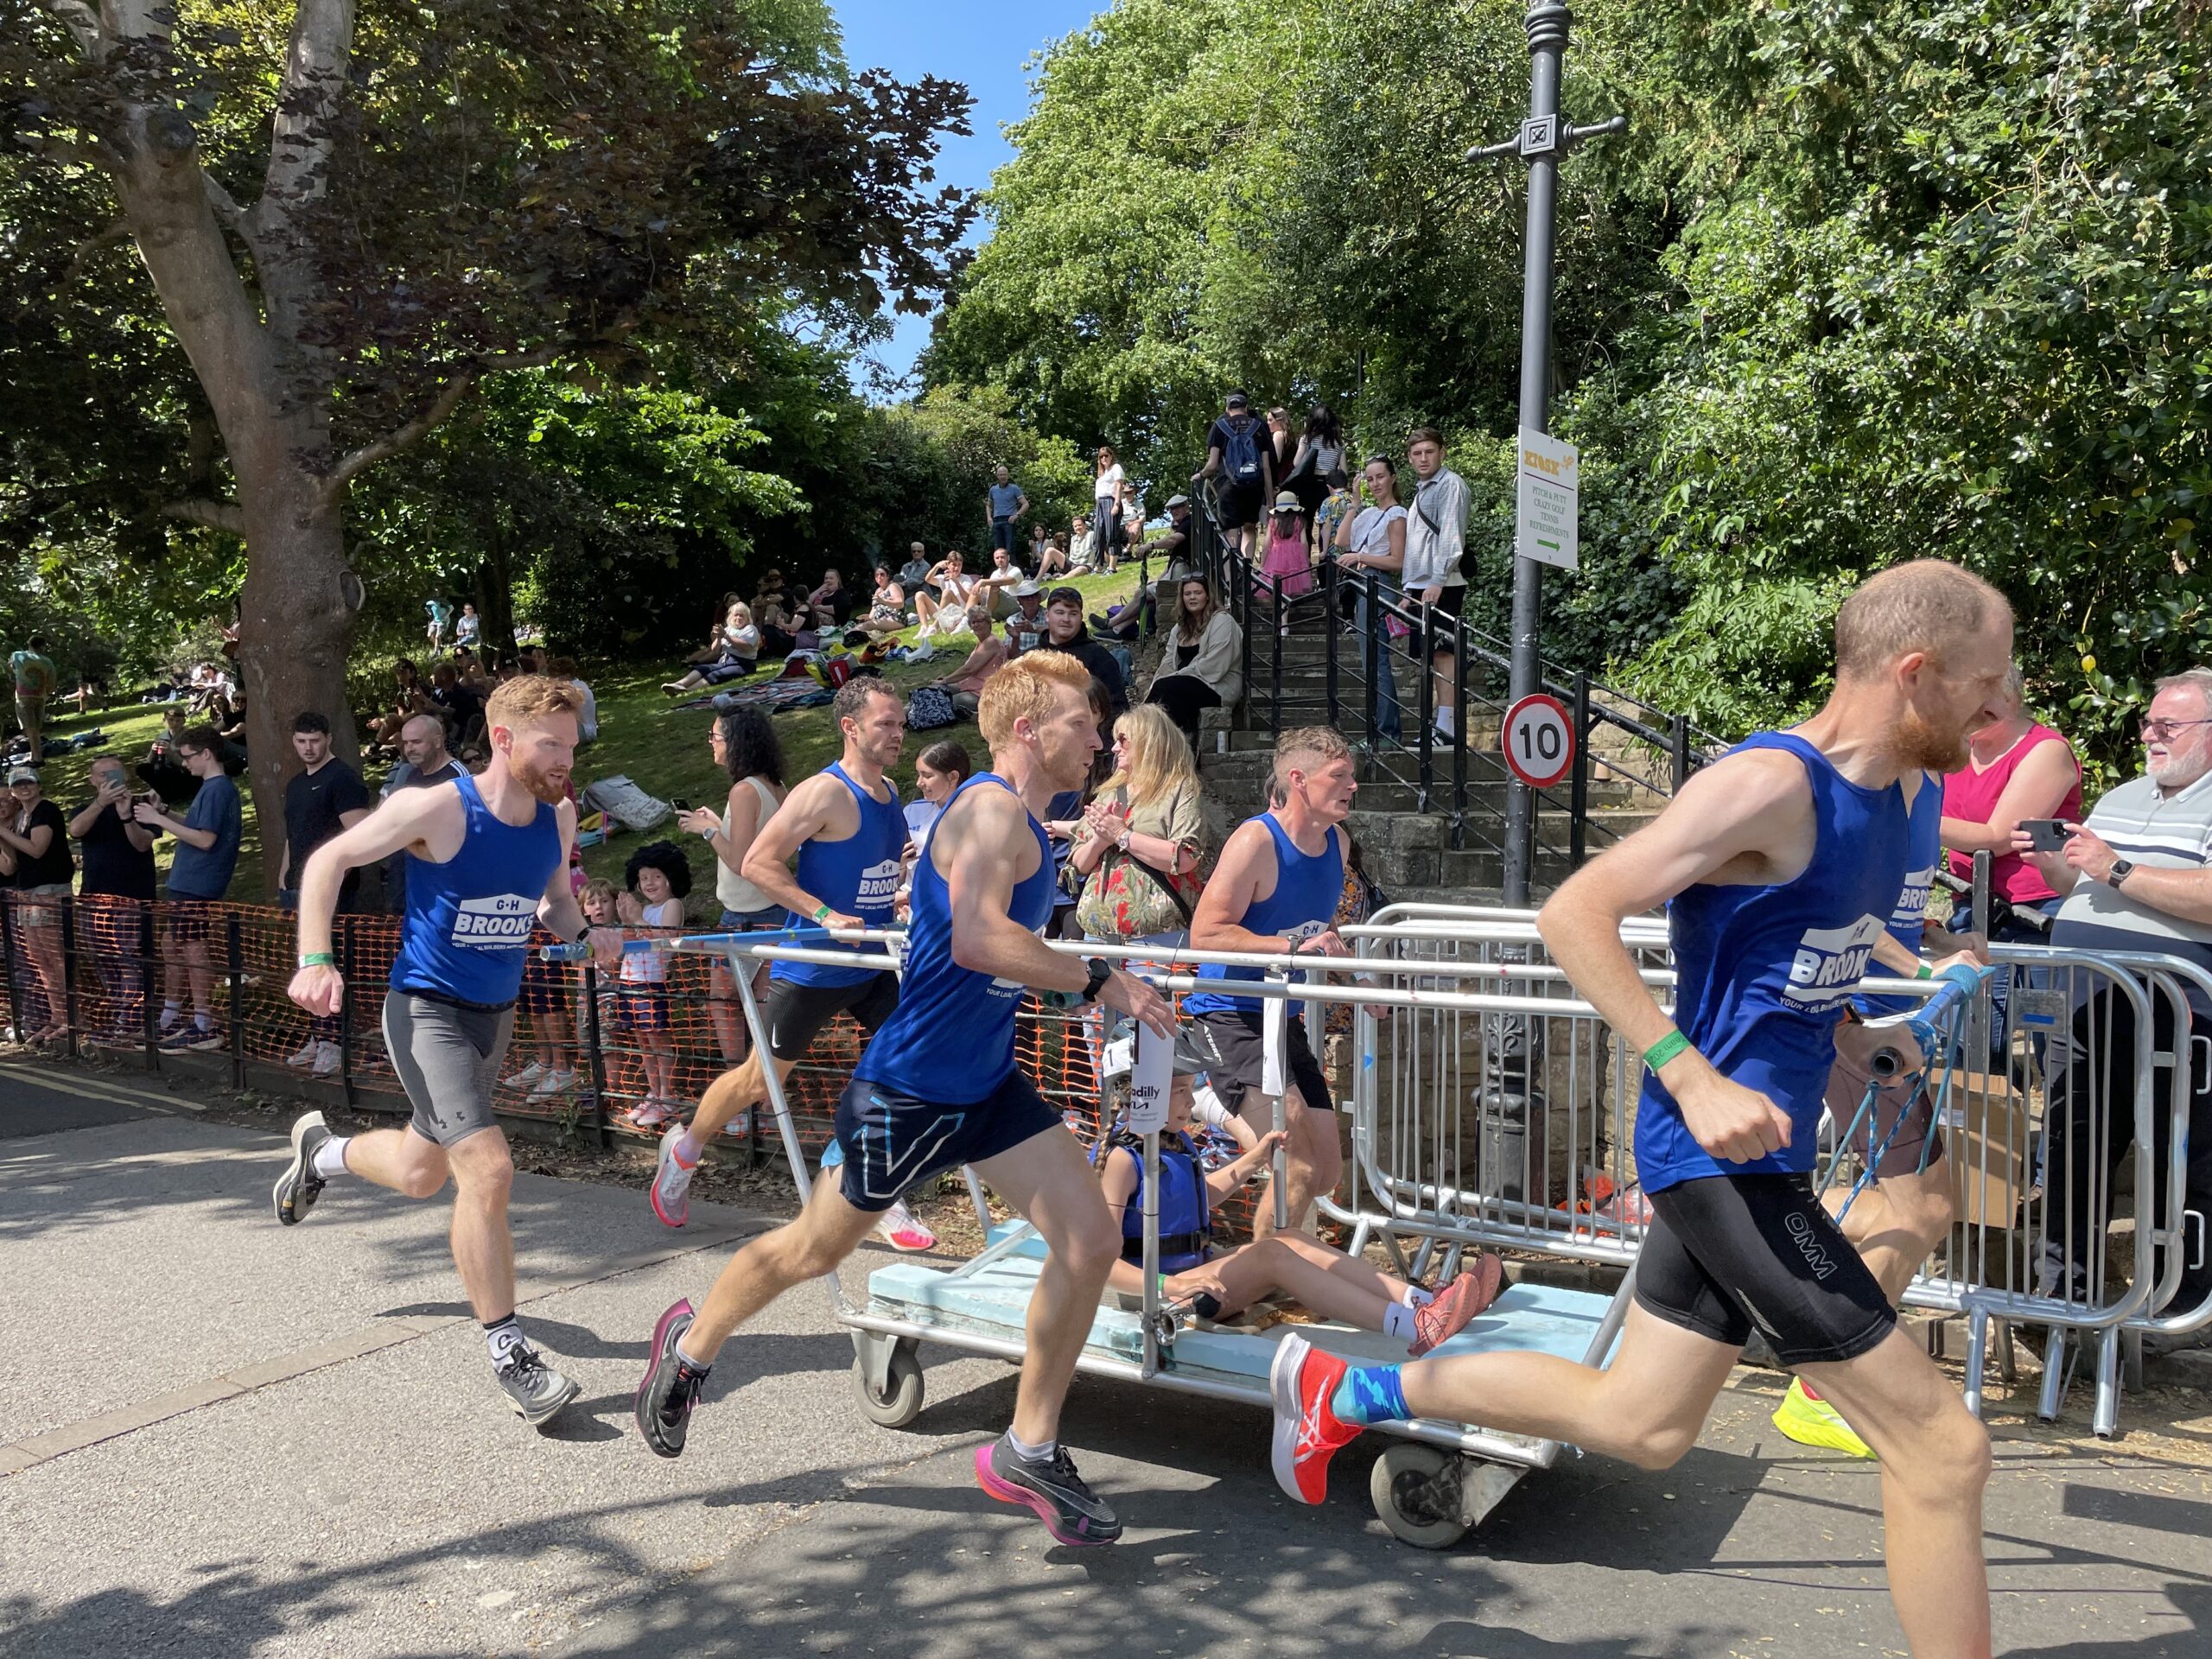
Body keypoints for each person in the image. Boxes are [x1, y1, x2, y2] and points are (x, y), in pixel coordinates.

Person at [1269, 561, 2014, 1659]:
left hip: (1768, 1150)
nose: (1999, 713)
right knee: (1943, 1449)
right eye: (1983, 687)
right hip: (1712, 1157)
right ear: (1915, 674)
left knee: (1644, 1426)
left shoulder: (1907, 796)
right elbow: (1576, 912)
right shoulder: (1771, 785)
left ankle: (1346, 1385)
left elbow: (1802, 947)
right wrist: (1690, 1071)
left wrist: (1856, 1027)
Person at [634, 651, 1174, 1551]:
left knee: (1088, 1237)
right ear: (1031, 730)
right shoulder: (991, 809)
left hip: (985, 1083)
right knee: (813, 1248)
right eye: (1084, 722)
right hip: (912, 1085)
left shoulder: (1027, 824)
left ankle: (1028, 1448)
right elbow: (974, 939)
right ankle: (690, 1345)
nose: (1097, 736)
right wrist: (1098, 978)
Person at [270, 676, 596, 1429]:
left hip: (496, 1016)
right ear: (505, 739)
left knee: (422, 1174)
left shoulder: (559, 815)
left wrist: (581, 937)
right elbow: (327, 863)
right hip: (427, 1013)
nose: (565, 761)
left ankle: (320, 1155)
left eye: (572, 746)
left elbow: (551, 900)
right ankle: (511, 1351)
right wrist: (315, 957)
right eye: (551, 745)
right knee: (487, 1167)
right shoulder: (438, 807)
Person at [647, 678, 909, 1231]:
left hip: (874, 965)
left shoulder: (891, 796)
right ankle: (685, 1149)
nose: (898, 733)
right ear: (851, 727)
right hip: (815, 965)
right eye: (886, 723)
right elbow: (758, 863)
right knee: (757, 1080)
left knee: (908, 1063)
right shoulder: (823, 792)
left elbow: (873, 878)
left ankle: (863, 1179)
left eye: (900, 723)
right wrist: (823, 915)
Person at [2018, 667, 2212, 1351]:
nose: (2151, 736)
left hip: (2178, 1006)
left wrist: (2115, 869)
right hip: (2086, 995)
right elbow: (2081, 884)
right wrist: (2053, 862)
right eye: (2148, 723)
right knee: (2075, 1146)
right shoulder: (2125, 795)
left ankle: (2175, 1309)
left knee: (2179, 1156)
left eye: (2169, 725)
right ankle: (2061, 1297)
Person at [1096, 1063, 1498, 1353]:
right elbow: (1099, 1262)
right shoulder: (1121, 1160)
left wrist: (1254, 1159)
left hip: (1195, 1276)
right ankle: (1413, 1327)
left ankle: (1424, 1303)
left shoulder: (1174, 1142)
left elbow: (1201, 1195)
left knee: (1286, 1237)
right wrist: (1172, 1286)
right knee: (1272, 1252)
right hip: (1162, 1295)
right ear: (1140, 1094)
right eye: (1178, 1090)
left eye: (1188, 1088)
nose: (1190, 1099)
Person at [1185, 728, 1357, 1240]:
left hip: (1284, 1014)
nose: (1352, 787)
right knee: (1296, 1162)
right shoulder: (1256, 839)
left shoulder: (1338, 844)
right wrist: (1291, 950)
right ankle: (1268, 1272)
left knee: (1325, 1172)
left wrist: (1356, 978)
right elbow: (1205, 932)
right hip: (1229, 1013)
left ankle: (1280, 1266)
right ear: (1298, 781)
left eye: (1353, 776)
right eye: (1340, 777)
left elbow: (1321, 930)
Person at [677, 709, 789, 1071]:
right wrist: (716, 824)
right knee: (761, 1004)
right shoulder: (775, 786)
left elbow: (741, 862)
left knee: (723, 1001)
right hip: (775, 910)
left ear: (735, 742)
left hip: (745, 916)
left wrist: (706, 831)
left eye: (715, 737)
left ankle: (737, 1080)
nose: (710, 743)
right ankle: (765, 1084)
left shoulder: (743, 790)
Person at [1941, 669, 2082, 940]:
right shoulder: (1955, 749)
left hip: (2039, 910)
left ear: (2013, 699)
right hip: (1971, 903)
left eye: (1986, 697)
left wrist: (1906, 819)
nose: (1974, 707)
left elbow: (1999, 837)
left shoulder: (2046, 749)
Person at [132, 725, 244, 1050]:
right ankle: (173, 1015)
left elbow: (205, 839)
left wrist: (158, 819)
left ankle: (203, 1022)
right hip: (188, 881)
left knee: (193, 948)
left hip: (198, 883)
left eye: (188, 756)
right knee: (172, 944)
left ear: (206, 754)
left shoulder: (218, 789)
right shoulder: (212, 789)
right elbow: (198, 827)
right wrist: (166, 812)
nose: (184, 764)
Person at [276, 713, 374, 1076]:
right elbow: (292, 835)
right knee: (306, 965)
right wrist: (284, 876)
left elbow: (360, 836)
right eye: (301, 741)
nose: (308, 748)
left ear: (328, 738)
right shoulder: (297, 783)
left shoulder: (343, 779)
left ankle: (335, 1042)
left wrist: (335, 878)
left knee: (331, 963)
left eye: (314, 740)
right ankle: (318, 1035)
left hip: (335, 892)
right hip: (298, 887)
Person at [71, 754, 159, 1044]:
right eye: (102, 775)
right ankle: (122, 1014)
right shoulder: (85, 808)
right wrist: (101, 804)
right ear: (93, 781)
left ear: (126, 777)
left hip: (133, 898)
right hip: (95, 899)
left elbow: (143, 843)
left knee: (130, 959)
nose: (109, 780)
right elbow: (75, 830)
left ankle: (132, 1020)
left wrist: (125, 815)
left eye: (115, 774)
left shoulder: (142, 804)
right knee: (104, 959)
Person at [1332, 455, 1410, 745]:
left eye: (1380, 477)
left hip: (1377, 583)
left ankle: (1386, 733)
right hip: (1362, 584)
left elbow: (1397, 560)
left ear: (1392, 477)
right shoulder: (1366, 513)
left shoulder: (1397, 513)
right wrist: (1354, 503)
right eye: (1369, 478)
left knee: (1376, 663)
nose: (1375, 483)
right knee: (1371, 663)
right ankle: (1382, 732)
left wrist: (1360, 557)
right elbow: (1341, 541)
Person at [615, 841, 691, 1126]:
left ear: (672, 877)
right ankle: (655, 1093)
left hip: (652, 984)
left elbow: (663, 941)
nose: (649, 883)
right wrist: (626, 921)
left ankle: (668, 1096)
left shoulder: (672, 905)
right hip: (629, 981)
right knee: (643, 1043)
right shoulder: (645, 909)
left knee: (660, 1042)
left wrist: (635, 919)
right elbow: (632, 943)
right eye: (644, 877)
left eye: (656, 876)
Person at [1, 764, 73, 1042]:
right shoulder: (22, 818)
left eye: (29, 783)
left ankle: (73, 1017)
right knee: (40, 959)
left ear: (39, 785)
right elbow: (12, 862)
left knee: (57, 957)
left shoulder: (46, 811)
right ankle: (58, 1017)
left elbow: (37, 849)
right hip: (28, 894)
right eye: (18, 785)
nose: (24, 788)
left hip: (49, 892)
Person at [1404, 429, 1469, 739]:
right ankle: (1441, 724)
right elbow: (1419, 544)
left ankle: (1447, 727)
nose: (1423, 458)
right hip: (1425, 586)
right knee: (1433, 654)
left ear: (1442, 452)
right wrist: (1409, 590)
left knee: (1444, 653)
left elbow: (1451, 537)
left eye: (1429, 451)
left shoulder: (1449, 484)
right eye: (1417, 453)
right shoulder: (1422, 490)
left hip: (1442, 583)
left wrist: (1438, 581)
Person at [378, 715, 467, 914]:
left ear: (437, 742)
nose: (410, 748)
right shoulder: (412, 774)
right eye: (406, 743)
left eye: (417, 742)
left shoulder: (458, 777)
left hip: (442, 887)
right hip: (406, 878)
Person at [1144, 577, 1243, 750]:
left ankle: (1165, 748)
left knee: (1171, 689)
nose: (1192, 598)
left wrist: (1175, 677)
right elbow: (1167, 662)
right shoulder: (1179, 628)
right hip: (1181, 684)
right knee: (1162, 694)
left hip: (1216, 685)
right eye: (1187, 594)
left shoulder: (1223, 622)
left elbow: (1215, 666)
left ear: (1207, 596)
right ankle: (1158, 745)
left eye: (1198, 593)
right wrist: (1155, 685)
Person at [1192, 391, 1274, 556]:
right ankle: (1247, 569)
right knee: (1249, 527)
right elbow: (1266, 466)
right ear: (1246, 408)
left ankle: (1232, 576)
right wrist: (1270, 498)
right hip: (1254, 486)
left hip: (1229, 485)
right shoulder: (1258, 426)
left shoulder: (1220, 426)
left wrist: (1199, 476)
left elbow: (1212, 465)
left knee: (1231, 530)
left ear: (1227, 408)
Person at [1033, 588, 1127, 713]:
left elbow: (1117, 707)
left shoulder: (1099, 657)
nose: (1066, 619)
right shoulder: (1030, 657)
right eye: (1060, 612)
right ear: (1047, 615)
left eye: (1073, 614)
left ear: (1081, 617)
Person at [664, 601, 761, 695]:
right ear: (731, 617)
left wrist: (726, 636)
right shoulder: (728, 629)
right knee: (703, 668)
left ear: (747, 618)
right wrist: (719, 638)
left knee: (716, 674)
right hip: (724, 662)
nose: (738, 618)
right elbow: (715, 650)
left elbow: (746, 647)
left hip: (743, 665)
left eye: (741, 615)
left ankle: (686, 691)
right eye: (736, 615)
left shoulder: (750, 629)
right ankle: (678, 685)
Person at [938, 605, 1009, 718]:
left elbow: (969, 669)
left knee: (941, 703)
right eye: (973, 622)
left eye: (980, 621)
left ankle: (906, 716)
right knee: (932, 691)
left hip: (980, 692)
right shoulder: (982, 642)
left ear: (988, 623)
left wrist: (946, 680)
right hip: (968, 685)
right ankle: (906, 711)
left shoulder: (991, 642)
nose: (976, 625)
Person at [904, 739, 972, 848]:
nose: (918, 783)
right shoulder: (911, 811)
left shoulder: (975, 815)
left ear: (953, 777)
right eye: (918, 775)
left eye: (927, 776)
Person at [1284, 404, 1344, 516]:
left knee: (1306, 520)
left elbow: (1296, 462)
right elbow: (1343, 471)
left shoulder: (1307, 439)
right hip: (1330, 484)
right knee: (1327, 521)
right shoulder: (1338, 443)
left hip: (1309, 483)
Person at [1258, 491, 1314, 604]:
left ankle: (1281, 614)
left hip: (1276, 555)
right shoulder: (1299, 521)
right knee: (1291, 584)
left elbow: (1267, 543)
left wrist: (1262, 563)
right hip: (1295, 556)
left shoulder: (1273, 521)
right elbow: (1304, 543)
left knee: (1277, 585)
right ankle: (1285, 612)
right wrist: (1305, 559)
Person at [10, 635, 58, 761]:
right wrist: (47, 692)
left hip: (23, 697)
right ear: (42, 646)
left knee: (30, 729)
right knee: (36, 728)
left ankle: (37, 758)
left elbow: (12, 668)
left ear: (29, 643)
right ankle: (35, 755)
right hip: (40, 696)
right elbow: (52, 682)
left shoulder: (17, 655)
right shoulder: (47, 661)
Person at [913, 552, 977, 639]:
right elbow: (928, 579)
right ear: (948, 565)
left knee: (947, 592)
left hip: (958, 613)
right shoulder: (944, 577)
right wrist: (936, 566)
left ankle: (935, 627)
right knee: (919, 595)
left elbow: (968, 599)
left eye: (959, 565)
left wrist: (956, 582)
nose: (957, 568)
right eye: (954, 565)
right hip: (944, 614)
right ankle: (924, 627)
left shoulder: (966, 579)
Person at [1090, 445, 1126, 575]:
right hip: (1100, 504)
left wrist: (1116, 504)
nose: (1104, 458)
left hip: (1110, 501)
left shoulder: (1116, 468)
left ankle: (1112, 567)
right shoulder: (1102, 474)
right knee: (1098, 536)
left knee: (1112, 535)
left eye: (1106, 455)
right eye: (1101, 457)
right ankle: (1099, 566)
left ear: (1111, 456)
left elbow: (1118, 486)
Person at [546, 657, 597, 745]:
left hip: (582, 732)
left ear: (567, 675)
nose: (552, 680)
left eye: (555, 677)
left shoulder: (570, 689)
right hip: (589, 730)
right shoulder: (581, 684)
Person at [854, 566, 909, 641]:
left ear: (888, 576)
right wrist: (867, 617)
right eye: (876, 575)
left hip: (895, 618)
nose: (879, 577)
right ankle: (845, 636)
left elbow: (900, 604)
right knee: (859, 625)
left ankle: (844, 638)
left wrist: (883, 601)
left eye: (882, 575)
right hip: (881, 619)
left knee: (867, 625)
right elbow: (873, 610)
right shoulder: (878, 591)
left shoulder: (893, 586)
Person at [987, 464, 1030, 555]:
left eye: (1004, 474)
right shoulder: (993, 490)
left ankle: (1011, 568)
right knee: (998, 550)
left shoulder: (1014, 488)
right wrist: (989, 518)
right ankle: (1001, 569)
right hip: (996, 520)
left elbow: (1025, 504)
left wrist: (1016, 515)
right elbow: (989, 505)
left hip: (1009, 520)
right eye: (1001, 474)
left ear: (1008, 475)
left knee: (1009, 549)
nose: (1003, 477)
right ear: (997, 476)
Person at [976, 545, 1027, 621]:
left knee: (994, 587)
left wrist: (983, 581)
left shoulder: (1016, 571)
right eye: (997, 558)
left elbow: (1003, 581)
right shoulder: (994, 574)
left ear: (1008, 558)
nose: (1000, 560)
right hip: (999, 608)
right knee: (978, 590)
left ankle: (985, 619)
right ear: (994, 560)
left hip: (1014, 607)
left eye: (1002, 557)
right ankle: (966, 619)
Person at [1002, 582, 1047, 658]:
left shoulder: (1049, 616)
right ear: (1019, 601)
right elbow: (1010, 655)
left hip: (1044, 661)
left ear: (1039, 598)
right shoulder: (1012, 620)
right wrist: (1015, 639)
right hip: (1020, 663)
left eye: (1033, 595)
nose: (1030, 599)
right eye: (1025, 597)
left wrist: (1033, 627)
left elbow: (1059, 633)